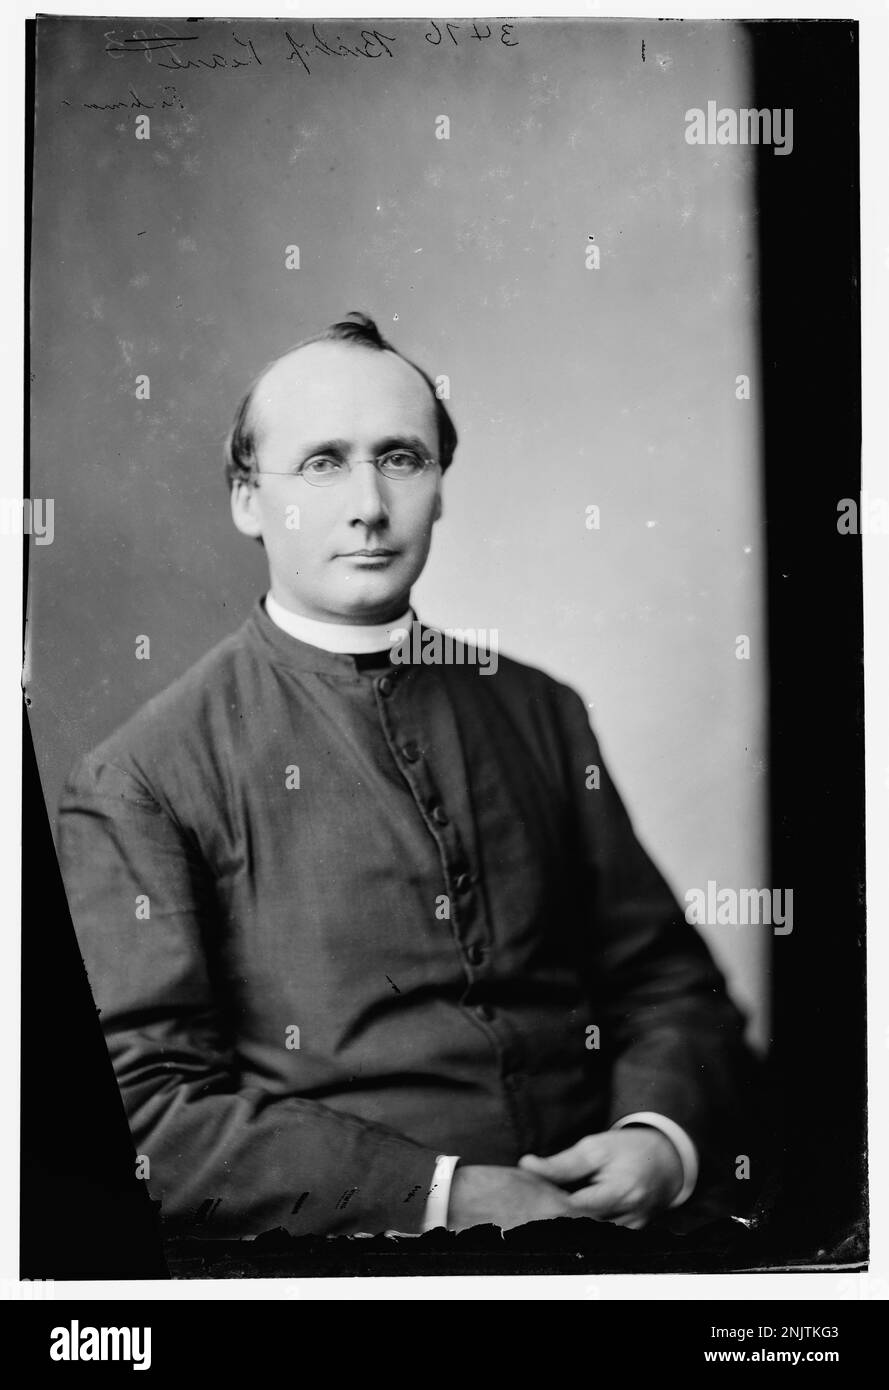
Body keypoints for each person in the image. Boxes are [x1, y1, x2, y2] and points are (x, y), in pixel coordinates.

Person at [58, 312, 756, 1240]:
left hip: (615, 1243)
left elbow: (667, 982)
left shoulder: (540, 710)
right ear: (245, 500)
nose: (368, 505)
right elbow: (145, 1110)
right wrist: (444, 1194)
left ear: (439, 485)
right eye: (321, 464)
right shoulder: (141, 775)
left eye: (400, 459)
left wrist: (656, 1137)